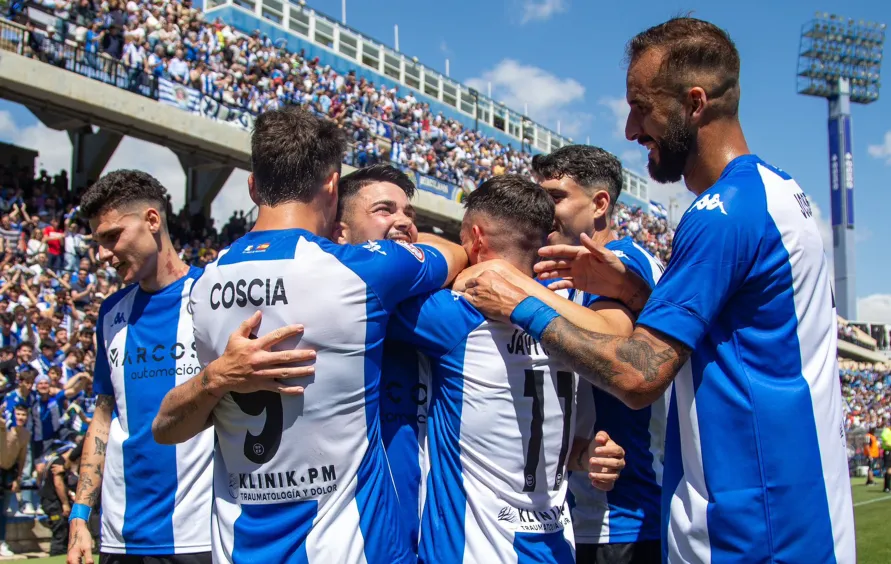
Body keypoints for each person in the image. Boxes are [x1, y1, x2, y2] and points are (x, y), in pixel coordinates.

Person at [465, 17, 855, 563]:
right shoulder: (778, 191)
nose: (630, 129)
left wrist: (519, 302)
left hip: (751, 529)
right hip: (795, 510)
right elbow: (736, 339)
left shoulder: (722, 213)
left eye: (641, 107)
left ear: (694, 104)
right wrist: (635, 295)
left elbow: (639, 376)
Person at [152, 107, 468, 563]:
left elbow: (167, 428)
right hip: (348, 548)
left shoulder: (202, 286)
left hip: (241, 548)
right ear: (332, 186)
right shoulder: (361, 272)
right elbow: (455, 254)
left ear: (253, 187)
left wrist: (216, 378)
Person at [67, 170, 309, 564]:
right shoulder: (110, 313)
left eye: (112, 236)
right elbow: (104, 416)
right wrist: (80, 513)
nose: (103, 255)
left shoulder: (214, 297)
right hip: (119, 536)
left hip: (198, 533)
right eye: (98, 242)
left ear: (152, 220)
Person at [388, 175, 627, 563]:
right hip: (554, 546)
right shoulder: (569, 325)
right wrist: (585, 456)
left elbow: (379, 283)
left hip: (474, 549)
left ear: (476, 239)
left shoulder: (456, 317)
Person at [532, 145, 666, 564]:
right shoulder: (566, 272)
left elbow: (615, 347)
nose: (542, 209)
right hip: (578, 511)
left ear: (600, 204)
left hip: (626, 517)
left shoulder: (624, 264)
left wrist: (513, 292)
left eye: (556, 197)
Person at [0, 405, 31, 557]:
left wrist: (18, 478)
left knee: (3, 510)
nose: (20, 417)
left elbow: (22, 458)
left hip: (8, 472)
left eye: (23, 415)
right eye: (18, 414)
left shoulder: (25, 434)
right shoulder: (4, 426)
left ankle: (1, 543)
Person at [41, 442, 82, 556]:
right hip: (53, 502)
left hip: (51, 500)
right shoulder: (58, 462)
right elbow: (58, 484)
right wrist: (65, 504)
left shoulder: (55, 461)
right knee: (60, 531)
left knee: (64, 530)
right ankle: (56, 555)